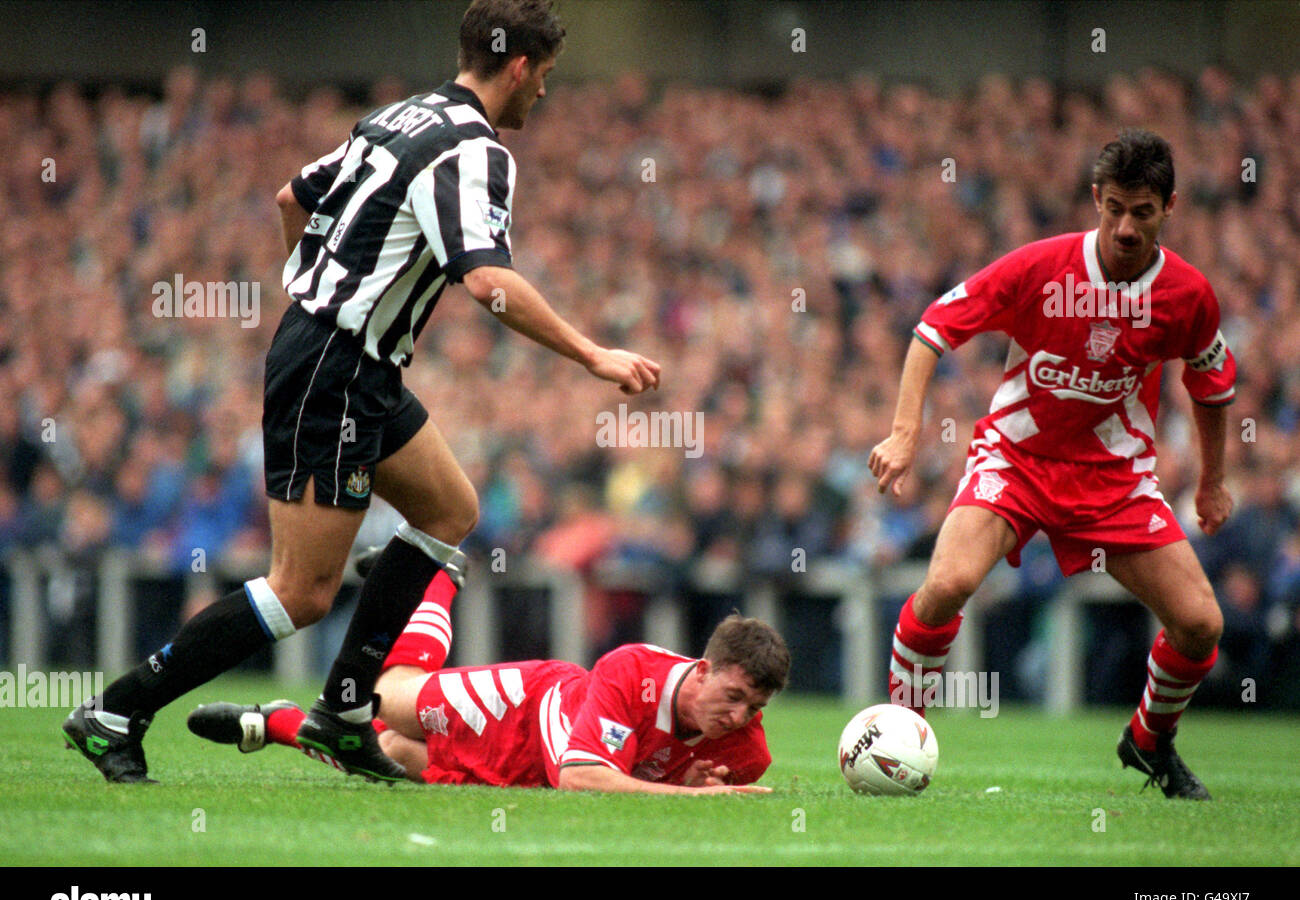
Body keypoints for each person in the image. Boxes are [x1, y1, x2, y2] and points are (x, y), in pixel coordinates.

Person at [64, 0, 660, 783]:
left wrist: (310, 289)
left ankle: (344, 712)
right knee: (302, 592)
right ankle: (117, 710)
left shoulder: (397, 117)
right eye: (544, 75)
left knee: (448, 511)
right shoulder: (476, 149)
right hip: (336, 367)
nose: (544, 91)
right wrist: (592, 354)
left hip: (350, 361)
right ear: (519, 67)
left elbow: (292, 198)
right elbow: (488, 281)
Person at [868, 129, 1235, 800]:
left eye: (1142, 212)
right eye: (1114, 208)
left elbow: (1211, 386)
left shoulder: (1187, 294)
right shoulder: (1041, 267)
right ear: (1096, 198)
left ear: (1170, 207)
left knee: (1200, 625)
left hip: (1115, 480)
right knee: (948, 583)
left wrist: (1211, 482)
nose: (1125, 228)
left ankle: (1149, 740)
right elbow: (932, 328)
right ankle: (899, 732)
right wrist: (903, 433)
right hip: (1016, 460)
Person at [188, 585, 788, 794]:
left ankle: (274, 725)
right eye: (734, 697)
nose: (740, 718)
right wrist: (688, 797)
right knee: (390, 694)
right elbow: (582, 778)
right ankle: (437, 577)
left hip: (528, 773)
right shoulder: (632, 669)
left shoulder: (746, 754)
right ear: (703, 670)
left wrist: (689, 785)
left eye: (755, 708)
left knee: (388, 753)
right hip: (522, 706)